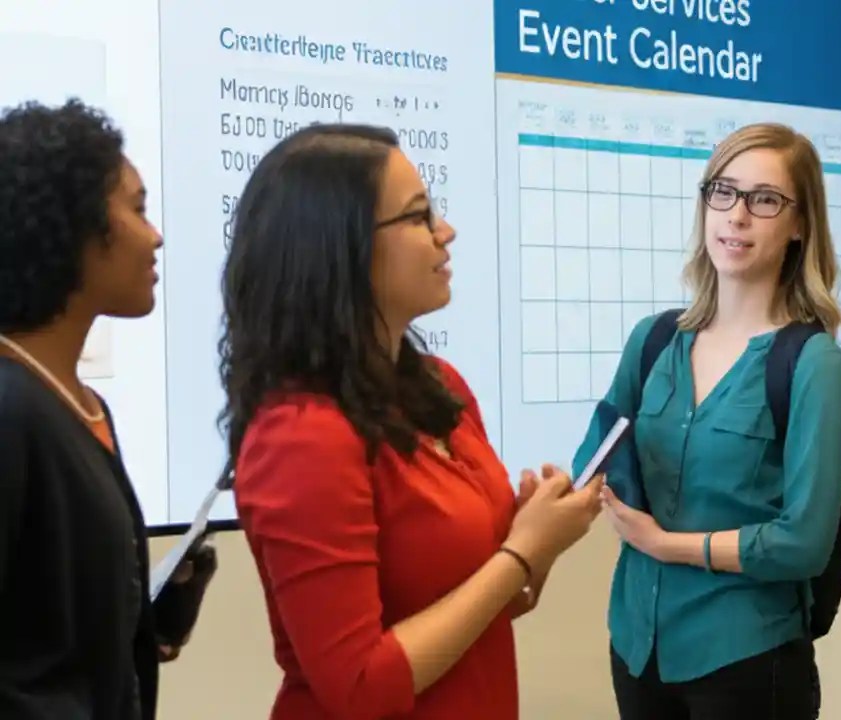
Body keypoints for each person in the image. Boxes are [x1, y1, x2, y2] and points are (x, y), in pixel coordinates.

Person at [220, 123, 603, 720]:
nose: (445, 234)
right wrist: (521, 554)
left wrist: (535, 541)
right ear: (341, 246)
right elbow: (360, 687)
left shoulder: (438, 385)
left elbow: (492, 604)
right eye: (420, 217)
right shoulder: (300, 434)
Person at [575, 122, 841, 720]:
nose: (737, 215)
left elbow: (803, 543)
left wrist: (667, 545)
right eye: (722, 192)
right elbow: (595, 458)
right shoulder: (650, 341)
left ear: (799, 225)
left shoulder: (812, 361)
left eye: (765, 199)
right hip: (637, 645)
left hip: (746, 657)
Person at [0, 99, 215, 719]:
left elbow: (41, 627)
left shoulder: (81, 404)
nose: (157, 234)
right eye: (139, 209)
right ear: (73, 225)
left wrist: (143, 621)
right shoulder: (11, 410)